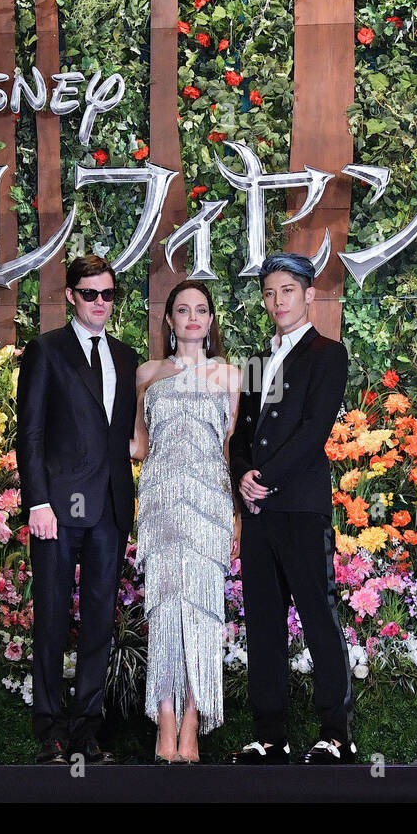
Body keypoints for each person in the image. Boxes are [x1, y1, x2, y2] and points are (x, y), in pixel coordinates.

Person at [228, 252, 356, 764]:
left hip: (300, 507)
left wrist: (267, 480)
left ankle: (337, 735)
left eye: (287, 290)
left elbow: (314, 430)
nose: (277, 301)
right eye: (269, 292)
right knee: (263, 622)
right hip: (259, 513)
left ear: (309, 295)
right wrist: (242, 476)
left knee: (318, 616)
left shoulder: (327, 353)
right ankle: (271, 736)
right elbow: (242, 433)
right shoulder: (259, 362)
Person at [15, 255, 139, 764]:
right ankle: (51, 731)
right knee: (49, 619)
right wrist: (38, 500)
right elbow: (31, 432)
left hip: (110, 508)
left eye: (108, 294)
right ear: (71, 296)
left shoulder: (127, 356)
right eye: (90, 294)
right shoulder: (46, 350)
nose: (100, 303)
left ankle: (87, 729)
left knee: (98, 625)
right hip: (58, 509)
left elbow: (126, 436)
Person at [131, 280, 242, 763]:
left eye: (201, 310)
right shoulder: (148, 373)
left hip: (210, 507)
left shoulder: (230, 375)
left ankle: (193, 721)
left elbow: (230, 449)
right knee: (163, 612)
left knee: (201, 614)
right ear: (170, 320)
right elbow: (138, 446)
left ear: (211, 320)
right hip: (158, 505)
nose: (193, 318)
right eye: (183, 310)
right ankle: (166, 720)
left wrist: (237, 514)